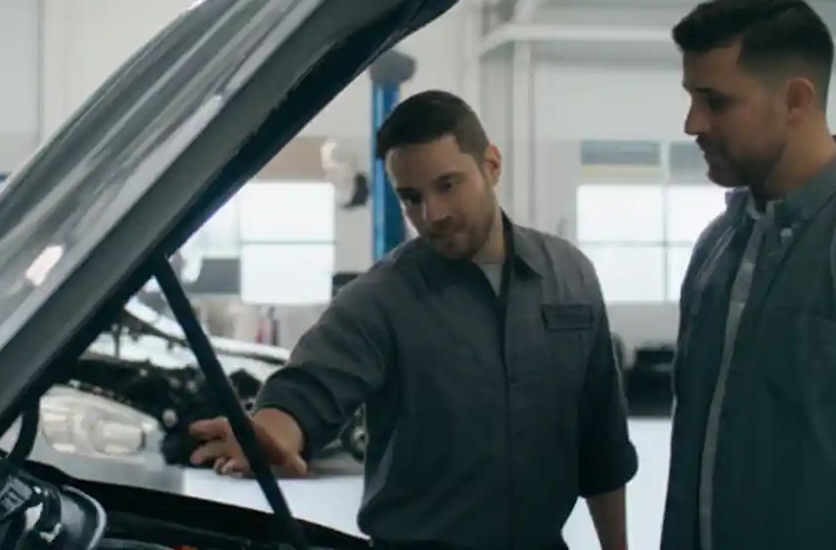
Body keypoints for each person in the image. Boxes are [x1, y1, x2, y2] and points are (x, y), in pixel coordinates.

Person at [189, 90, 637, 550]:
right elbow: (311, 387)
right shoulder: (380, 299)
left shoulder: (570, 275)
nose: (432, 214)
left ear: (492, 166)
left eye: (448, 185)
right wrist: (272, 431)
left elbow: (602, 443)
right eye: (411, 197)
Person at [660, 0, 836, 550]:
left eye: (716, 101)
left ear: (797, 100)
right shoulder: (716, 250)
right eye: (690, 97)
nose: (692, 123)